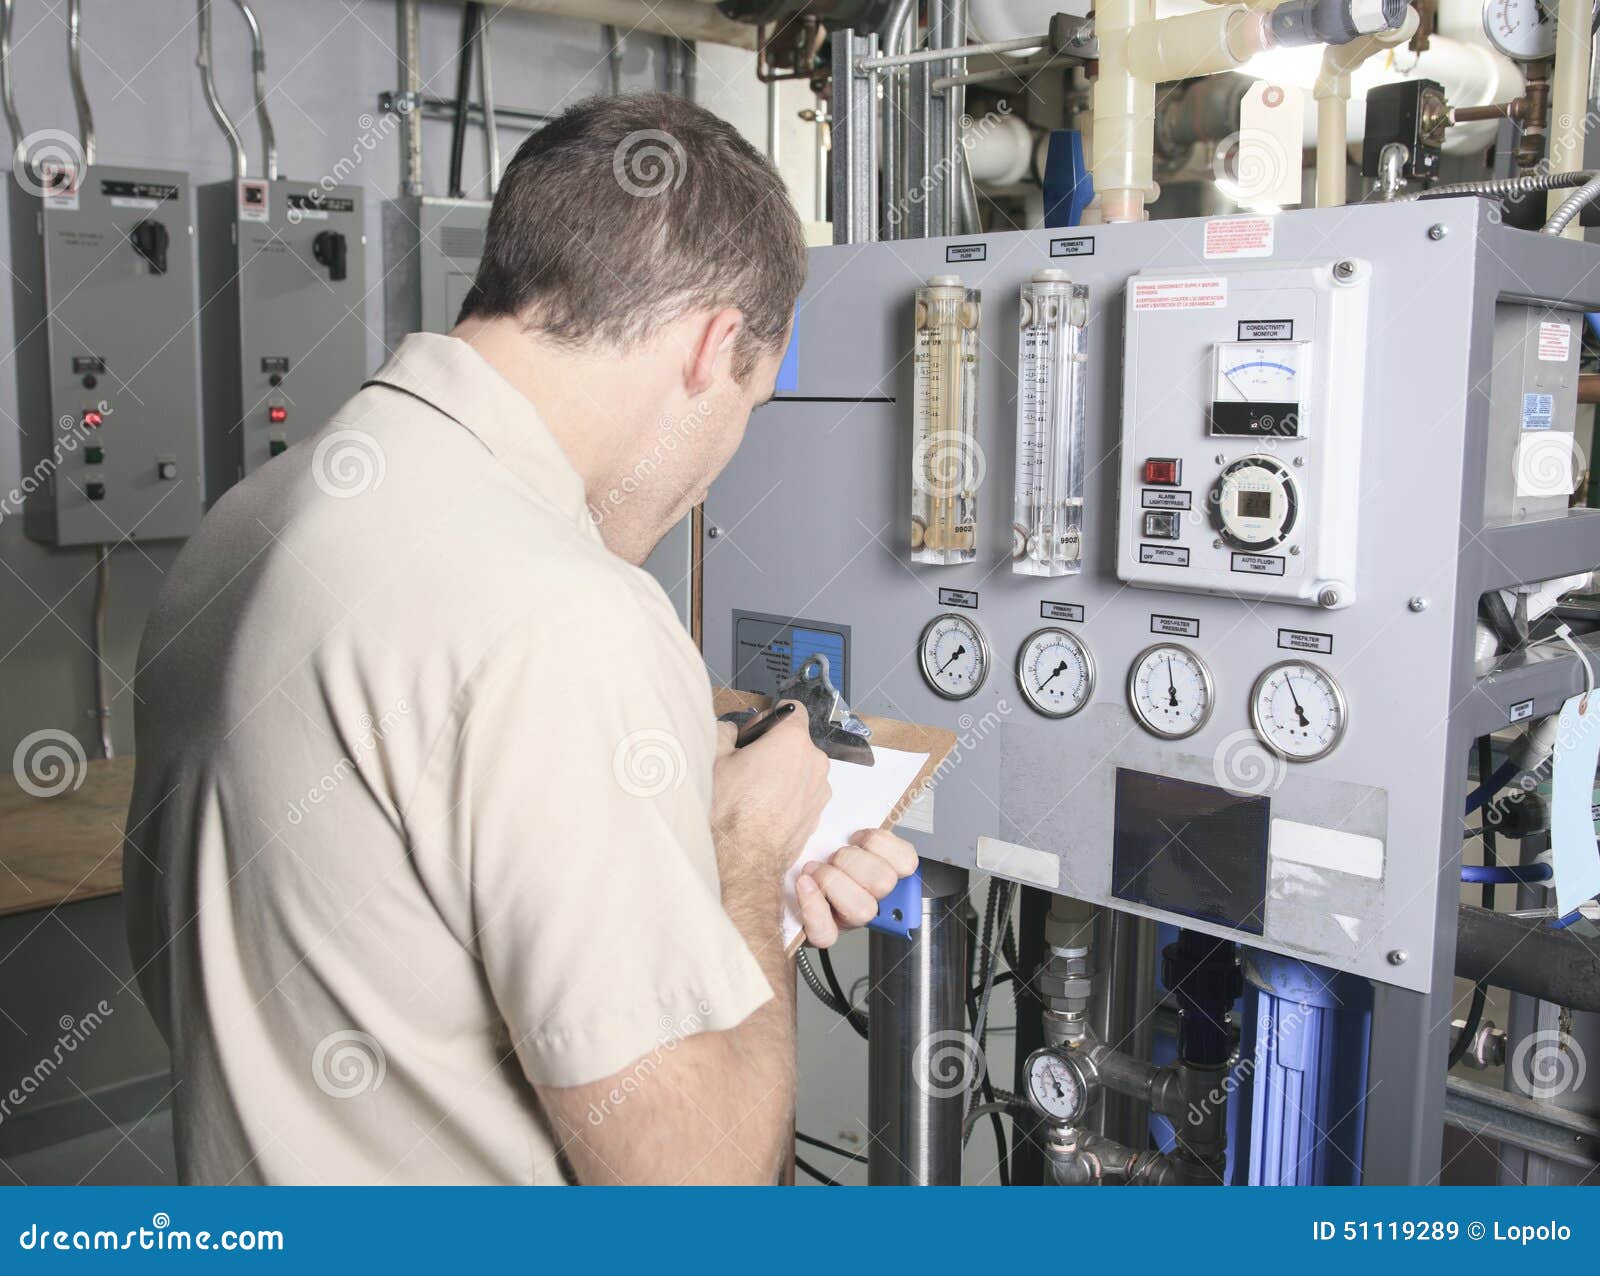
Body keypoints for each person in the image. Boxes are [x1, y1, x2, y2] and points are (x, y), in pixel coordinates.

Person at [122, 92, 917, 1185]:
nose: (716, 465)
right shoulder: (563, 614)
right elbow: (700, 1191)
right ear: (714, 344)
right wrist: (745, 855)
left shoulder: (246, 521)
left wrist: (685, 849)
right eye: (750, 404)